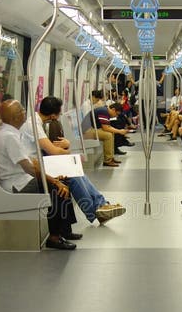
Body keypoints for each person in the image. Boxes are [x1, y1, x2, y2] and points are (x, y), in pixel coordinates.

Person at [20, 96, 126, 225]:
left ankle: (101, 204)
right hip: (33, 169)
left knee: (76, 170)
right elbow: (54, 151)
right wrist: (67, 150)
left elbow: (54, 149)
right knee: (72, 175)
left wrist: (66, 145)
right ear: (53, 115)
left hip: (41, 162)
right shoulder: (34, 125)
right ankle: (95, 210)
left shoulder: (37, 122)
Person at [0, 100, 77, 250]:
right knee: (56, 189)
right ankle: (54, 237)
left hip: (22, 179)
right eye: (22, 110)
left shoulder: (10, 133)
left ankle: (65, 230)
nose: (25, 112)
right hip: (16, 184)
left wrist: (54, 178)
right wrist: (54, 182)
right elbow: (29, 168)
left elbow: (30, 162)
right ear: (16, 117)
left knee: (64, 180)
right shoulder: (9, 137)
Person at [82, 89, 124, 167]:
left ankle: (110, 158)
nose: (116, 116)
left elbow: (107, 127)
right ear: (113, 110)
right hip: (87, 132)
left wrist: (117, 131)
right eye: (116, 114)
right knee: (108, 135)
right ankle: (107, 160)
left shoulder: (105, 111)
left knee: (111, 133)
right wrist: (119, 131)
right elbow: (106, 128)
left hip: (90, 129)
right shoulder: (104, 112)